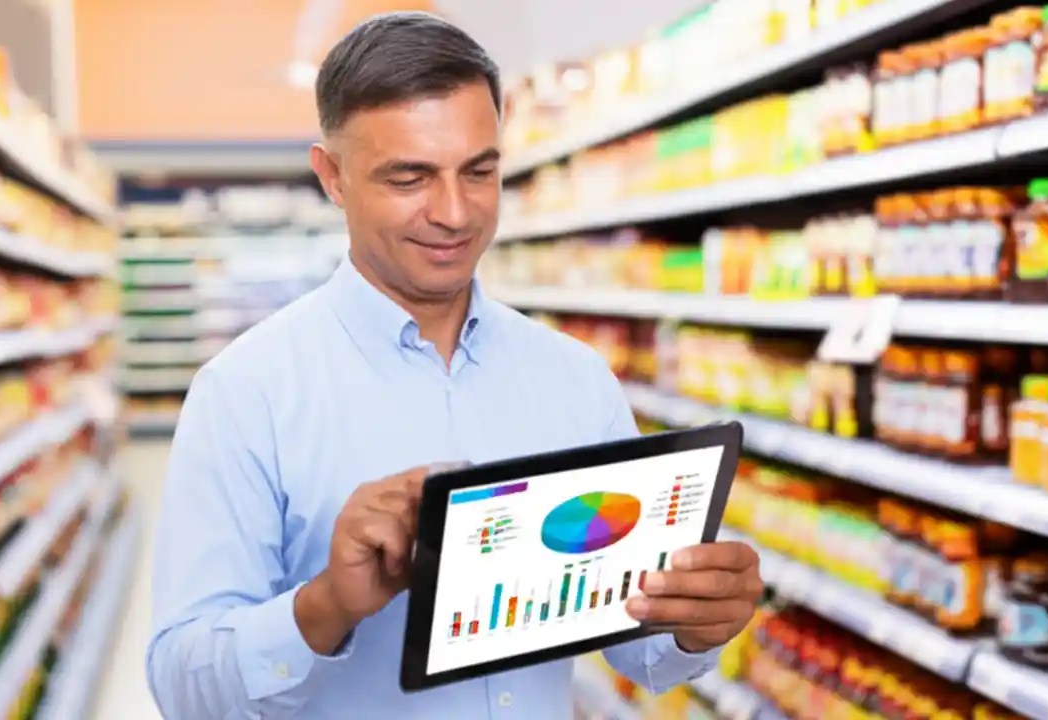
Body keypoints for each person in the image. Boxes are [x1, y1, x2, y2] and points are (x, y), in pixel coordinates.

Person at [146, 11, 762, 719]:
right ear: (332, 177)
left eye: (480, 171)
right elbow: (183, 689)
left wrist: (696, 620)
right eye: (410, 177)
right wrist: (326, 604)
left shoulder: (574, 378)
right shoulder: (246, 393)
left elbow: (637, 645)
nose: (455, 212)